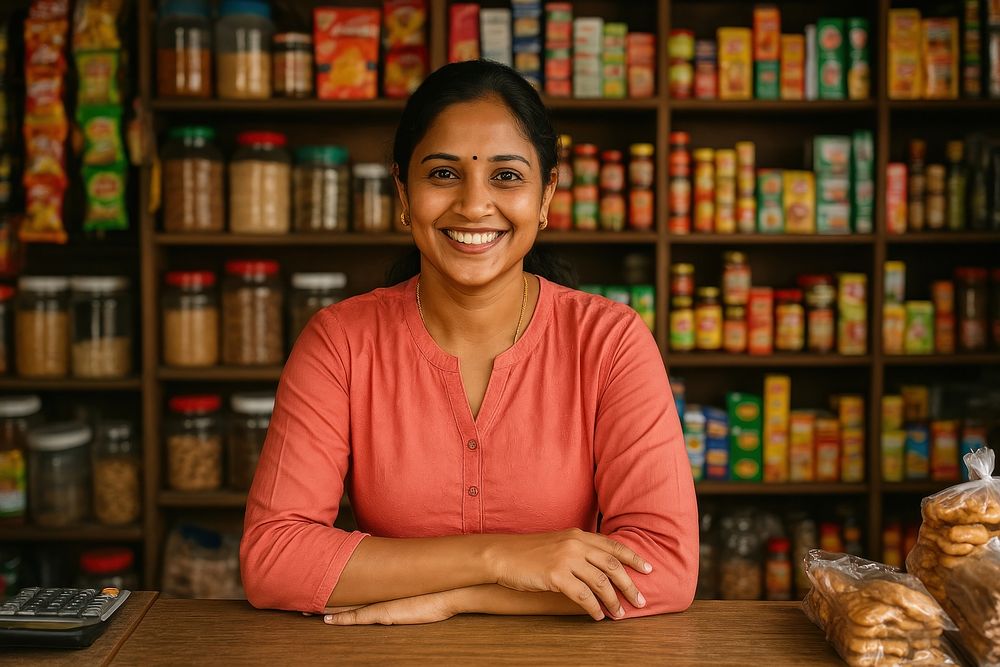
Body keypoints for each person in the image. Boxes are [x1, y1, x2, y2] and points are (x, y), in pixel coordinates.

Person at [240, 60, 698, 625]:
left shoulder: (610, 342)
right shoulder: (341, 343)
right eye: (443, 174)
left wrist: (456, 598)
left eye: (506, 176)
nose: (475, 205)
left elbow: (668, 568)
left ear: (546, 194)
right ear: (403, 191)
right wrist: (500, 557)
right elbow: (274, 559)